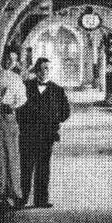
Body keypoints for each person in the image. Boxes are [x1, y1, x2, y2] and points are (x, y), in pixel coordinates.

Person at [17, 57, 70, 208]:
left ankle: (41, 199)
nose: (46, 71)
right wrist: (25, 123)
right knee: (26, 167)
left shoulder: (57, 90)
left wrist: (53, 120)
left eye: (48, 68)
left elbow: (66, 112)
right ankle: (23, 198)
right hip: (28, 134)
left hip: (47, 135)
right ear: (37, 70)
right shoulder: (25, 86)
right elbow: (19, 108)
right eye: (43, 68)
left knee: (43, 168)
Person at [0, 46, 28, 209]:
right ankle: (0, 192)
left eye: (13, 60)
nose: (9, 62)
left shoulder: (15, 78)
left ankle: (15, 193)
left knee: (12, 155)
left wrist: (13, 105)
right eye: (7, 58)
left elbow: (22, 98)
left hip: (9, 117)